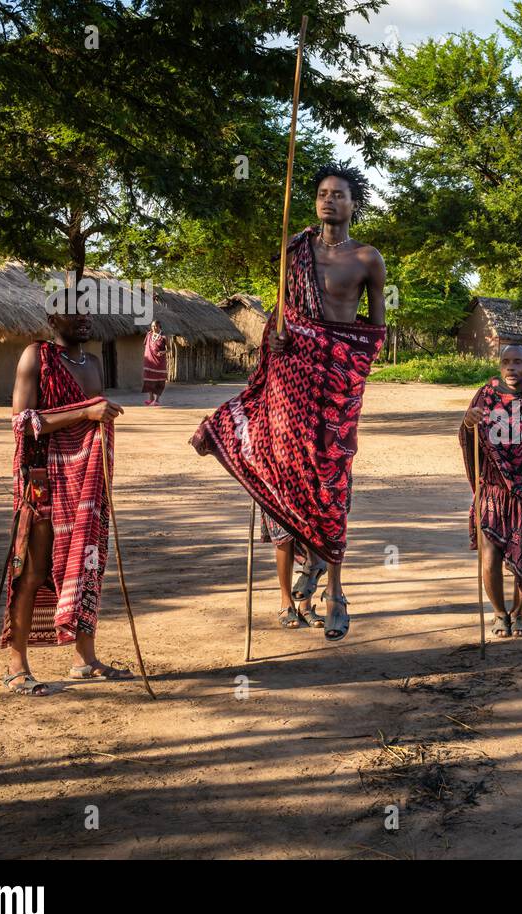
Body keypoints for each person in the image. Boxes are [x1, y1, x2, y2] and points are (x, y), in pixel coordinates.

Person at [191, 162, 386, 640]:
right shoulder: (292, 251)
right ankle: (306, 561)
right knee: (284, 466)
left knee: (332, 480)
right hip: (290, 379)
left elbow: (375, 334)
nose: (329, 200)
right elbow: (281, 315)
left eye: (339, 194)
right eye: (322, 193)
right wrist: (273, 339)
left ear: (353, 203)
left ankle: (335, 589)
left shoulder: (367, 259)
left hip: (337, 387)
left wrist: (339, 358)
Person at [1, 296, 130, 696]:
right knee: (34, 570)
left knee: (85, 565)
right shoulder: (34, 357)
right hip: (43, 481)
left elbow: (91, 423)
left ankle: (84, 659)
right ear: (53, 317)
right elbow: (23, 422)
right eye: (74, 312)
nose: (84, 318)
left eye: (88, 311)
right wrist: (86, 413)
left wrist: (101, 416)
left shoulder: (92, 364)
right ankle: (17, 666)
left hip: (86, 482)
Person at [460, 344, 522, 637]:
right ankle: (499, 613)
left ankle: (518, 611)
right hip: (493, 491)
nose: (511, 367)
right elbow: (468, 434)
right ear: (499, 365)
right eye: (506, 362)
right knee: (490, 557)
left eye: (518, 362)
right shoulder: (485, 397)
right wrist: (468, 423)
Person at [142, 319, 168, 406]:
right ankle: (151, 398)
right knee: (148, 380)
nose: (153, 328)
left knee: (159, 381)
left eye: (155, 326)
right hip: (149, 362)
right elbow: (146, 345)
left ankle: (157, 400)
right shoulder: (149, 335)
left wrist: (162, 352)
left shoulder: (163, 337)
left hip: (159, 362)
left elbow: (169, 349)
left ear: (159, 326)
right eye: (152, 326)